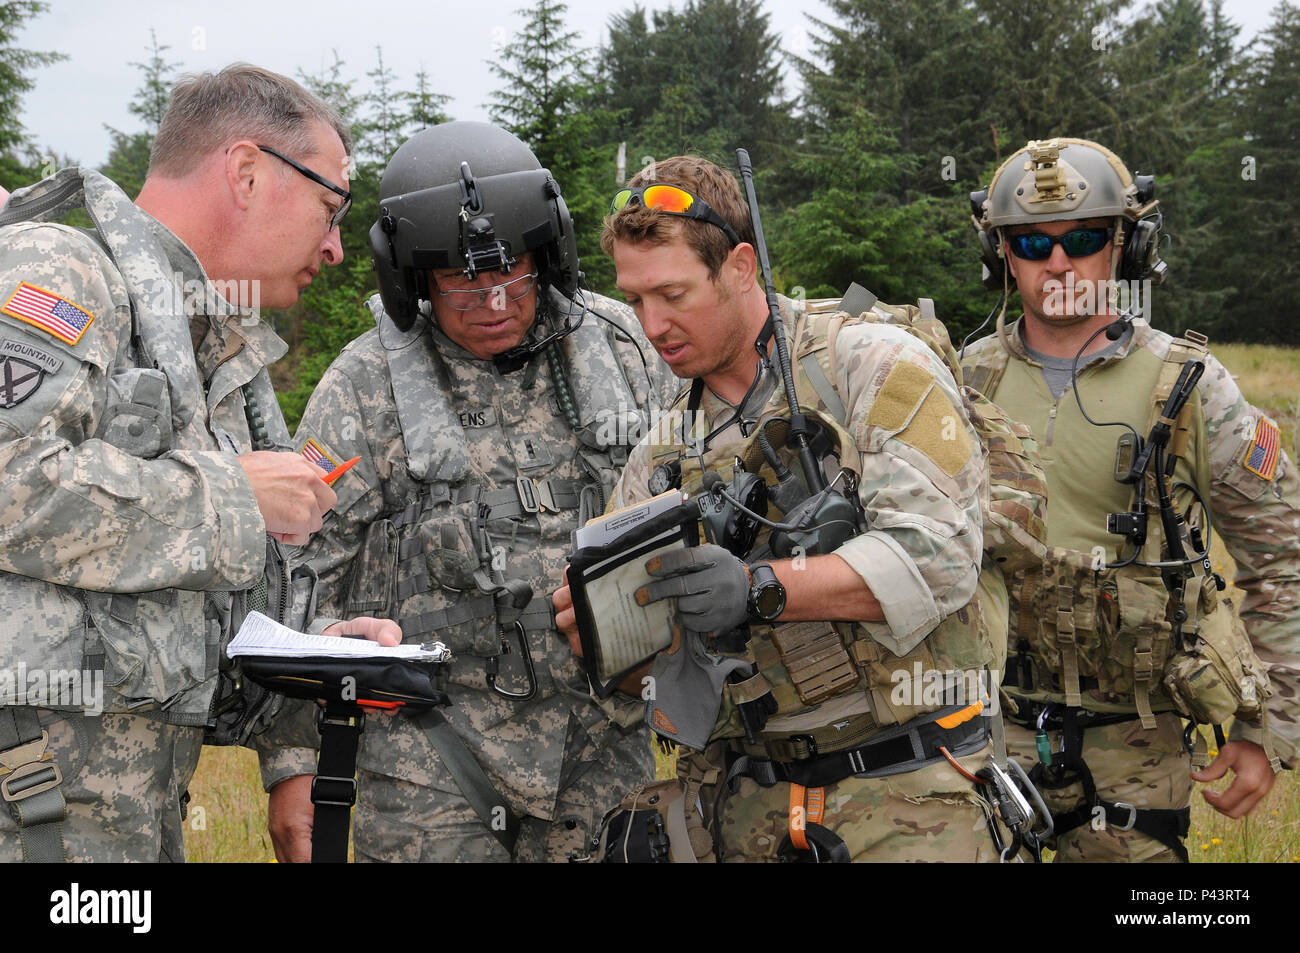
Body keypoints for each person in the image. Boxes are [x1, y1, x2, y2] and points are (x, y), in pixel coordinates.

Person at [556, 154, 1009, 862]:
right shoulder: (666, 448)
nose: (652, 323)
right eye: (636, 299)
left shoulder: (870, 365)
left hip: (907, 792)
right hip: (749, 805)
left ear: (740, 266)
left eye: (672, 293)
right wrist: (601, 631)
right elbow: (640, 674)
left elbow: (940, 557)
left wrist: (756, 589)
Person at [0, 63, 398, 864]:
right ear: (247, 172)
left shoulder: (202, 352)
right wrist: (235, 492)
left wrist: (312, 651)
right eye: (330, 206)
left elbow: (145, 605)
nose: (334, 246)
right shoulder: (59, 268)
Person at [289, 121, 678, 862]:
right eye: (463, 281)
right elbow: (304, 575)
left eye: (515, 274)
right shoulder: (364, 385)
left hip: (605, 754)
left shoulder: (625, 350)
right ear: (412, 279)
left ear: (550, 256)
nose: (495, 301)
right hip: (425, 760)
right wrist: (289, 765)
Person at [964, 136, 1300, 862]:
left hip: (1137, 745)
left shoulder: (1189, 386)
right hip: (982, 738)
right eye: (1031, 242)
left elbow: (1283, 563)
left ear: (1128, 245)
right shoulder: (961, 382)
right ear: (1002, 256)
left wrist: (1267, 732)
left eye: (1083, 238)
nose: (1058, 262)